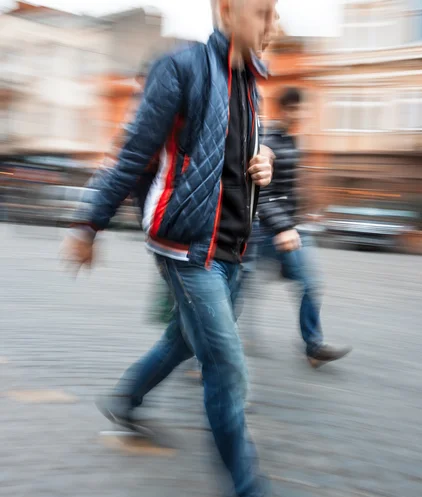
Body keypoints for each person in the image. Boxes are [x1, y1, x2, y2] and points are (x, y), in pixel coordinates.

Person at [61, 0, 277, 496]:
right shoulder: (180, 69)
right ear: (226, 10)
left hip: (235, 249)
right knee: (225, 366)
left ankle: (126, 398)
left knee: (183, 340)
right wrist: (87, 224)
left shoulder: (250, 86)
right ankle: (248, 486)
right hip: (184, 246)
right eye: (263, 12)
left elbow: (231, 162)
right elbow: (133, 153)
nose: (273, 25)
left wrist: (263, 159)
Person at [246, 88, 352, 368]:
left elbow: (290, 189)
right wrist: (283, 227)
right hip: (271, 230)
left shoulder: (293, 140)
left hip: (290, 227)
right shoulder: (270, 142)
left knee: (306, 284)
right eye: (297, 109)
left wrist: (307, 213)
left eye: (304, 109)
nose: (302, 114)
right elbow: (263, 192)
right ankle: (209, 349)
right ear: (285, 110)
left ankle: (314, 347)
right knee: (243, 286)